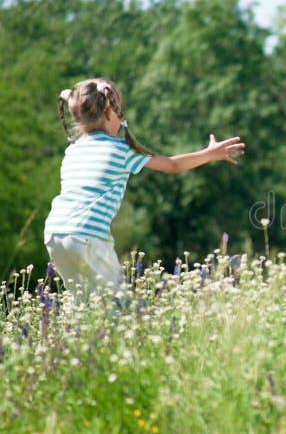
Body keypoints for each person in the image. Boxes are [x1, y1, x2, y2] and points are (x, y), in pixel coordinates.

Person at [44, 78, 245, 297]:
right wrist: (210, 154)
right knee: (116, 305)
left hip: (55, 233)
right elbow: (173, 165)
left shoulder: (73, 150)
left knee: (83, 301)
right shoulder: (120, 149)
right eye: (119, 109)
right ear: (109, 112)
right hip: (87, 234)